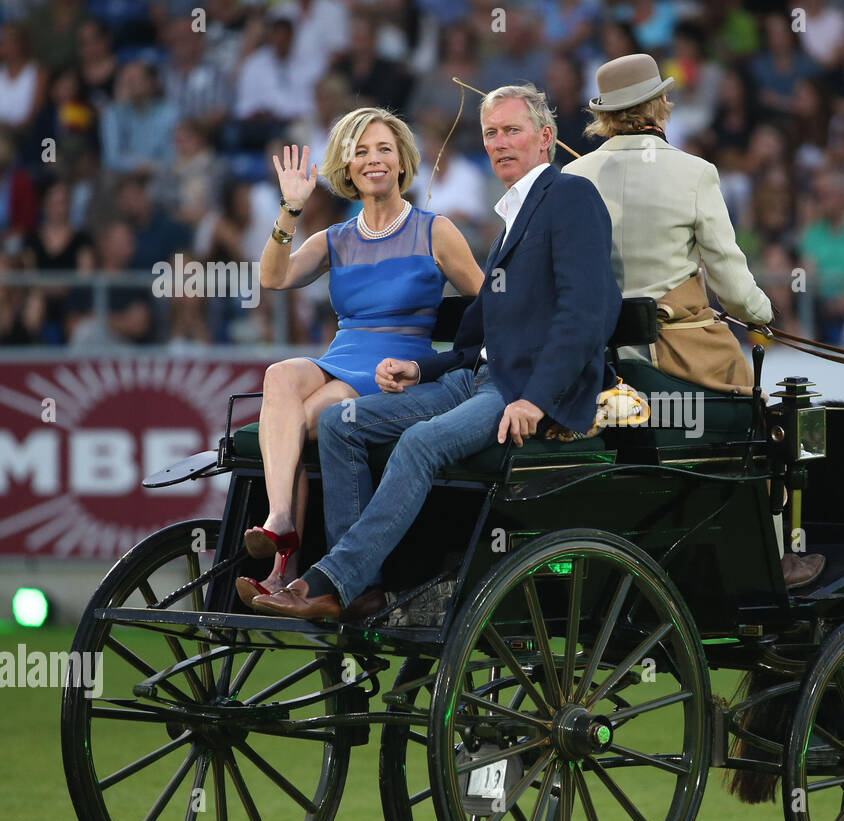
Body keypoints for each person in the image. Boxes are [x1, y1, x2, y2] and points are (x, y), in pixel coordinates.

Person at [252, 84, 622, 620]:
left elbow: (587, 313)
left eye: (511, 131)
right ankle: (365, 589)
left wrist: (536, 399)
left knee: (420, 443)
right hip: (473, 377)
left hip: (518, 388)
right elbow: (485, 334)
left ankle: (329, 582)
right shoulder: (514, 214)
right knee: (339, 424)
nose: (499, 143)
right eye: (491, 133)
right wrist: (421, 366)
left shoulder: (570, 197)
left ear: (545, 138)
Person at [564, 52, 824, 589]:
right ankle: (777, 556)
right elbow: (728, 275)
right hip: (676, 359)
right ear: (658, 104)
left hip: (596, 365)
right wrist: (764, 315)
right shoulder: (695, 173)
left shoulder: (573, 174)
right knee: (765, 422)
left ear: (606, 116)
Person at [235, 107, 483, 609]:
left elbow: (489, 303)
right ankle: (280, 521)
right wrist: (290, 209)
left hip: (392, 371)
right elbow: (272, 278)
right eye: (361, 152)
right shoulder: (336, 238)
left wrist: (465, 365)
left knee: (303, 422)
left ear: (401, 162)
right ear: (347, 168)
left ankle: (288, 569)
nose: (373, 160)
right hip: (342, 354)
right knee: (279, 375)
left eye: (384, 150)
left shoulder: (436, 231)